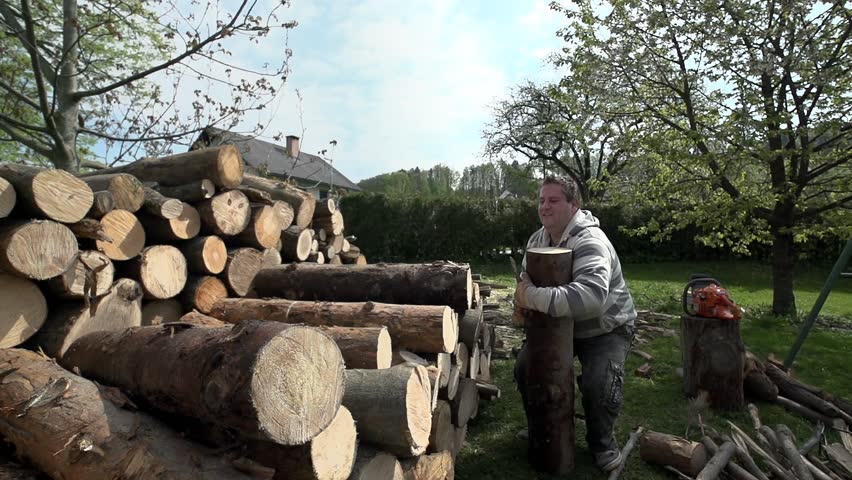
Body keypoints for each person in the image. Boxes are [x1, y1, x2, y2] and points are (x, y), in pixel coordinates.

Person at [513, 176, 637, 473]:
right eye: (542, 200)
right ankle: (541, 428)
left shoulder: (590, 241)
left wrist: (530, 296)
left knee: (598, 383)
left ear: (574, 204)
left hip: (605, 328)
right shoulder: (537, 240)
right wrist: (522, 299)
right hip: (559, 326)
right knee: (524, 368)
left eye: (554, 200)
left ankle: (602, 443)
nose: (545, 206)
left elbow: (591, 297)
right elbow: (524, 282)